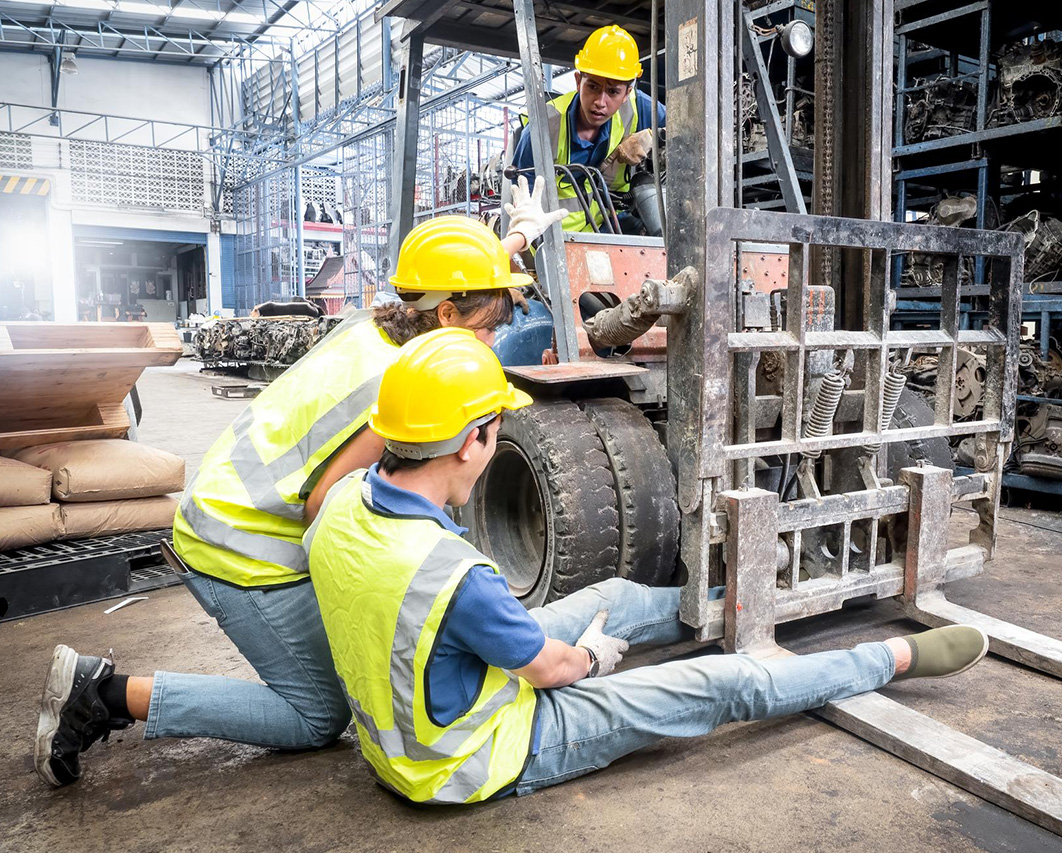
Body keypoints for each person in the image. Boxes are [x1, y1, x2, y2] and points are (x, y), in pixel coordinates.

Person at [304, 329, 991, 804]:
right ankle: (891, 659)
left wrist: (578, 646)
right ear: (471, 440)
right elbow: (549, 670)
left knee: (616, 597)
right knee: (723, 683)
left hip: (417, 719)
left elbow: (448, 614)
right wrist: (591, 659)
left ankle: (760, 599)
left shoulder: (338, 504)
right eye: (495, 434)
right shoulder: (455, 574)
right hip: (473, 758)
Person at [33, 186, 568, 788]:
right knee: (318, 715)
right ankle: (101, 695)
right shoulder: (396, 388)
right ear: (447, 316)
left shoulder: (380, 325)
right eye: (488, 329)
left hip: (229, 501)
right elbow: (327, 510)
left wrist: (517, 239)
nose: (491, 342)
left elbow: (456, 282)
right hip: (239, 544)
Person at [510, 25, 666, 236]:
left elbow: (690, 130)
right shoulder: (543, 129)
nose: (600, 102)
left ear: (627, 93)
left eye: (613, 91)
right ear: (578, 82)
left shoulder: (640, 109)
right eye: (593, 87)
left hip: (611, 226)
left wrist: (653, 137)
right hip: (558, 238)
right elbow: (524, 199)